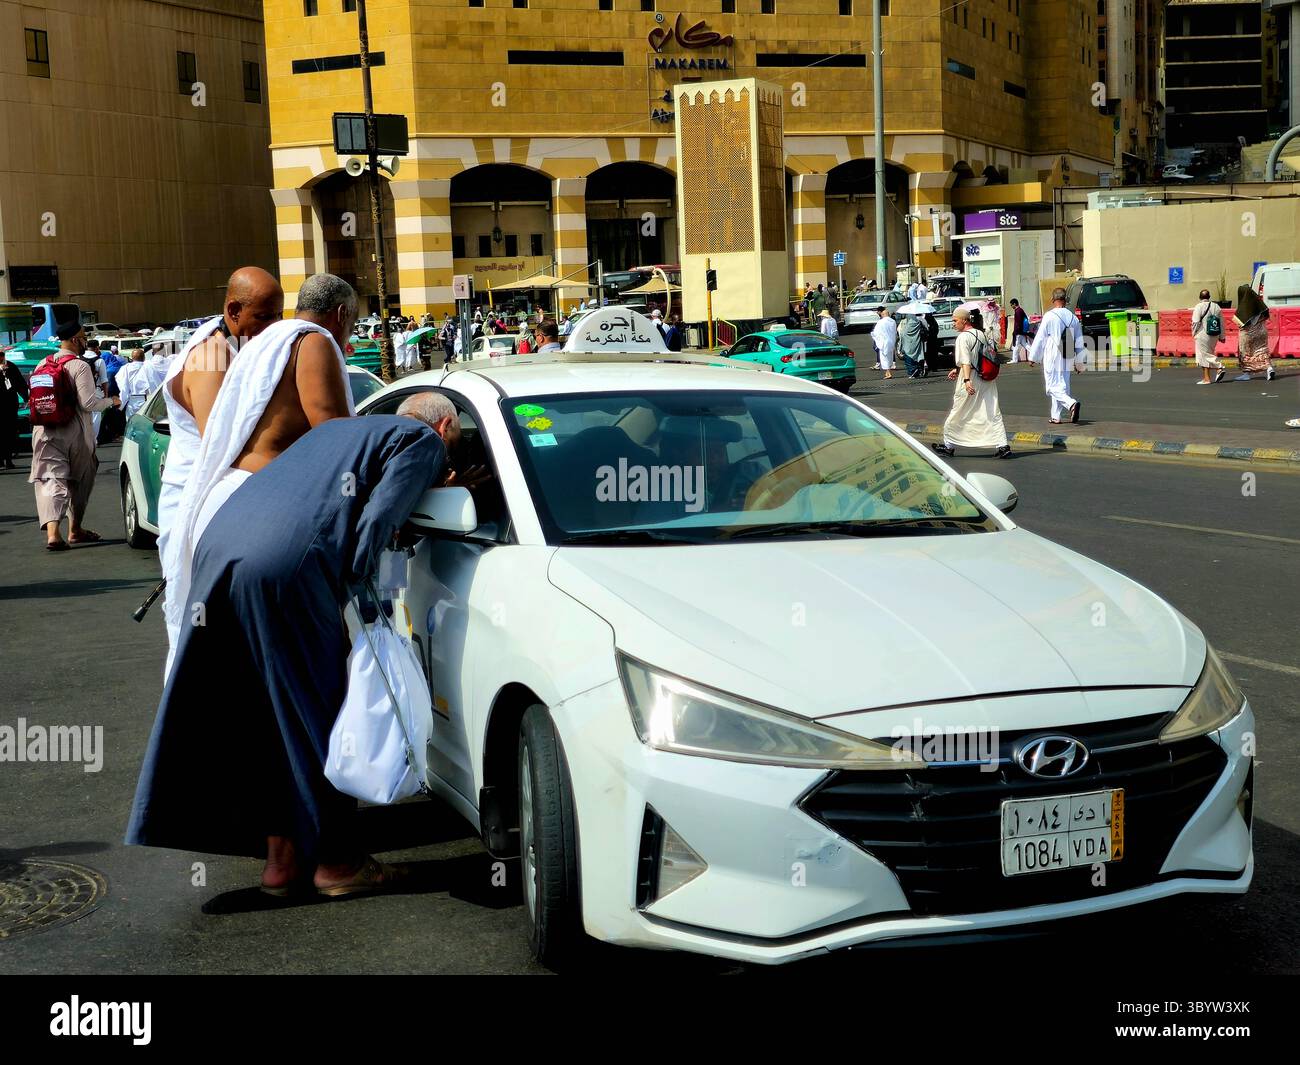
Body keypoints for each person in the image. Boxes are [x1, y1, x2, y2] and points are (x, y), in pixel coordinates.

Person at [128, 394, 477, 897]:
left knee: (266, 714)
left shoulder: (339, 431)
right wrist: (364, 603)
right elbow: (377, 524)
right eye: (454, 449)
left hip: (220, 552)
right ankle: (338, 863)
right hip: (287, 570)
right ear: (444, 427)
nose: (447, 461)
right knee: (316, 707)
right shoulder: (420, 440)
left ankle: (281, 862)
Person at [160, 273, 354, 678]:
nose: (272, 328)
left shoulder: (242, 347)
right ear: (233, 311)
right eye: (264, 317)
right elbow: (223, 441)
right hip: (205, 501)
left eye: (277, 316)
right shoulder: (213, 354)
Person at [28, 322, 120, 549]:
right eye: (83, 337)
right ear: (75, 340)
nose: (85, 340)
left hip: (44, 431)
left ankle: (53, 534)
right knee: (81, 477)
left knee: (51, 478)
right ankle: (74, 529)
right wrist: (112, 401)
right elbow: (88, 403)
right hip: (75, 431)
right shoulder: (79, 366)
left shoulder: (42, 363)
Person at [932, 308, 1011, 459]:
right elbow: (980, 355)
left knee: (958, 410)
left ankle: (948, 446)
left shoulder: (962, 338)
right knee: (992, 411)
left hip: (971, 377)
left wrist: (967, 380)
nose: (953, 324)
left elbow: (966, 361)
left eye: (955, 321)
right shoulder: (980, 333)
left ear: (964, 320)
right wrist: (957, 369)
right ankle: (1003, 445)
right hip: (985, 378)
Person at [1029, 287, 1086, 423]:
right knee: (1063, 384)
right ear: (1065, 300)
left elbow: (1040, 337)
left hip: (1053, 352)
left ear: (1053, 299)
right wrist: (1079, 361)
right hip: (1068, 351)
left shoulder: (1049, 316)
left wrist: (1033, 357)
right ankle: (1056, 416)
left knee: (1051, 385)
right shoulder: (1073, 317)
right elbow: (1079, 339)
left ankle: (1071, 404)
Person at [1232, 285, 1276, 382]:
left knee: (1246, 352)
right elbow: (1265, 314)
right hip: (1262, 331)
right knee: (1262, 350)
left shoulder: (1244, 306)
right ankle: (1269, 368)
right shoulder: (1259, 303)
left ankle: (1246, 373)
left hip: (1249, 334)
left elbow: (1240, 322)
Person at [0, 350, 30, 469]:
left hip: (10, 405)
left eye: (2, 354)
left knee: (10, 431)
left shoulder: (11, 366)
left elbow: (20, 384)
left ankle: (8, 458)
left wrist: (26, 397)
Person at [1191, 289, 1227, 385]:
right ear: (1209, 297)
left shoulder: (1199, 306)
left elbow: (1195, 322)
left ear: (1200, 297)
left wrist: (1194, 333)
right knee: (1205, 355)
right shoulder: (1216, 306)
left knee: (1204, 355)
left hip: (1203, 334)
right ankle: (1206, 378)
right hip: (1214, 334)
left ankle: (1219, 366)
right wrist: (1222, 336)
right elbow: (1221, 323)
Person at [898, 312, 928, 378]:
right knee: (918, 356)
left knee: (909, 358)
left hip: (908, 344)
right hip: (917, 343)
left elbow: (902, 334)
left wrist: (900, 347)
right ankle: (920, 370)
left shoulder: (907, 324)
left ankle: (913, 371)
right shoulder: (919, 322)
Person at [873, 305, 897, 380]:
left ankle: (888, 372)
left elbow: (876, 332)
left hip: (883, 341)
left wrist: (876, 338)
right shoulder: (893, 322)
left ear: (883, 315)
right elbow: (894, 332)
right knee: (889, 356)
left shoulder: (880, 322)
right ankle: (887, 371)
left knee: (884, 357)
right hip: (891, 341)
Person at [1008, 298, 1030, 362]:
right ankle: (1035, 354)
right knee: (1025, 344)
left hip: (1018, 332)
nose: (1011, 306)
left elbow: (1018, 322)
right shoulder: (1020, 310)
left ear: (1014, 304)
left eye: (1011, 305)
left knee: (1016, 346)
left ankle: (1014, 360)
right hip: (1021, 331)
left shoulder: (1018, 311)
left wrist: (1015, 331)